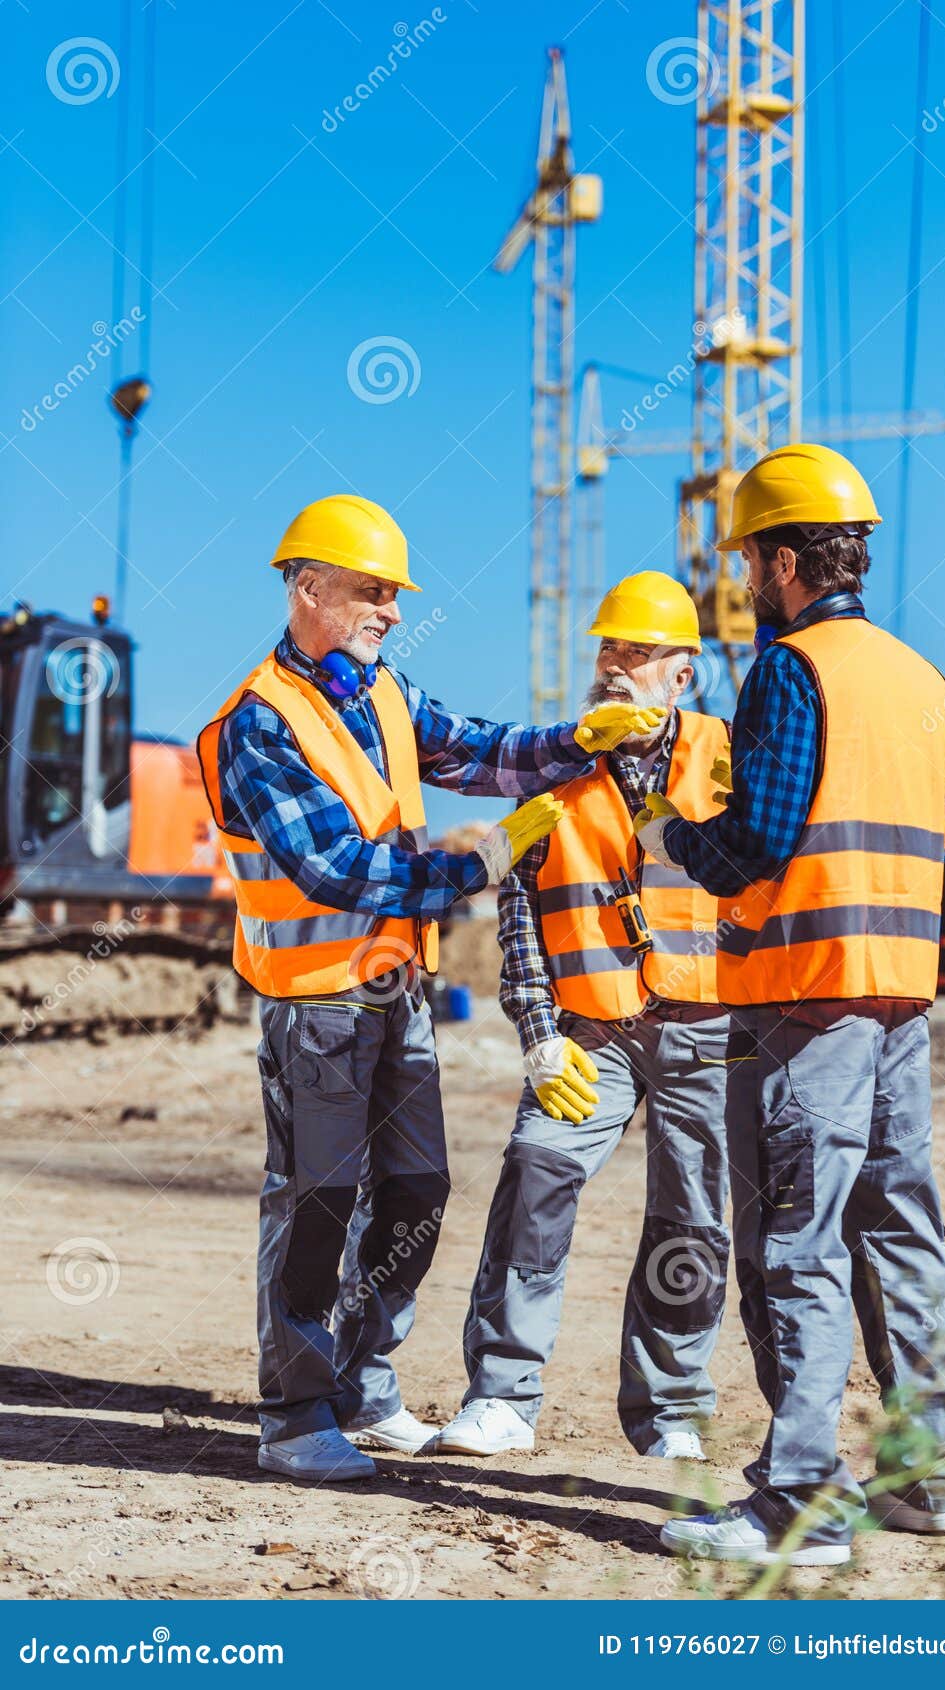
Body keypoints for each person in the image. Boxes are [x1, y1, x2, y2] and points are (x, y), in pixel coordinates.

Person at [197, 494, 661, 1484]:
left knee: (416, 1189)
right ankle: (295, 1411)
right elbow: (338, 871)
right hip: (316, 1004)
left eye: (396, 594)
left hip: (397, 997)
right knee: (315, 1202)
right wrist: (484, 861)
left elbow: (484, 749)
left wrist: (582, 736)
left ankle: (363, 1387)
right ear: (307, 587)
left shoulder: (384, 695)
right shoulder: (257, 726)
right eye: (374, 591)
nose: (394, 610)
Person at [637, 446, 945, 1567]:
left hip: (802, 1003)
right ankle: (929, 1476)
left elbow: (759, 839)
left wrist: (672, 839)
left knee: (799, 1245)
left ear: (783, 561)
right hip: (901, 999)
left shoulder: (790, 669)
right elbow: (938, 825)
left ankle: (798, 1503)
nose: (741, 582)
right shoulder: (921, 678)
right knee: (902, 1232)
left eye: (747, 561)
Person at [431, 573, 733, 1461]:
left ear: (684, 674)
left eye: (637, 653)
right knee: (536, 1177)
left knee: (694, 1219)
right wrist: (537, 1036)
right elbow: (520, 914)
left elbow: (761, 887)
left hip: (706, 1031)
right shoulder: (553, 766)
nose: (613, 668)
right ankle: (502, 1397)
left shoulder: (729, 758)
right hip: (589, 1032)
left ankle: (672, 1408)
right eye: (607, 650)